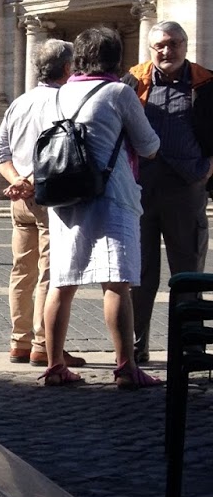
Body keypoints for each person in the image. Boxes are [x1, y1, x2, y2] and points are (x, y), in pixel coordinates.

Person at [39, 26, 161, 388]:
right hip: (111, 195)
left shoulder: (55, 96)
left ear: (77, 59)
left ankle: (55, 365)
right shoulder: (119, 92)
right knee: (116, 282)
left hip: (64, 196)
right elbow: (149, 144)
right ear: (115, 58)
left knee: (62, 283)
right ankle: (126, 367)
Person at [0, 38, 84, 366]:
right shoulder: (65, 101)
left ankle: (19, 342)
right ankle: (44, 344)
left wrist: (16, 180)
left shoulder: (19, 102)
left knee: (21, 271)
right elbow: (57, 151)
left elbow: (0, 151)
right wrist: (30, 181)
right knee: (50, 271)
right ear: (68, 67)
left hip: (19, 199)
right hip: (50, 196)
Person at [125, 20, 213, 362]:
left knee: (188, 270)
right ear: (151, 49)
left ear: (185, 45)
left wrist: (210, 168)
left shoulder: (206, 84)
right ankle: (136, 345)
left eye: (173, 43)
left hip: (187, 188)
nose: (166, 50)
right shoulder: (132, 82)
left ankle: (191, 346)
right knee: (139, 271)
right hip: (140, 190)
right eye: (160, 45)